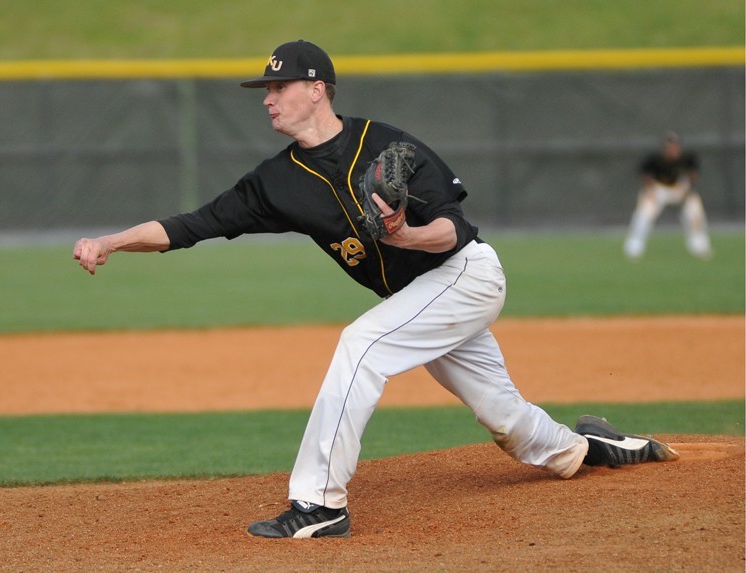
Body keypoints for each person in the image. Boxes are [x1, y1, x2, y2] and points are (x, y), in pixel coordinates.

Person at [73, 40, 679, 539]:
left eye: (278, 87)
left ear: (317, 89)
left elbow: (454, 230)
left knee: (360, 346)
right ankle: (590, 447)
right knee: (507, 420)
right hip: (420, 302)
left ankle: (320, 505)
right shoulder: (277, 182)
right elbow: (191, 226)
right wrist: (112, 240)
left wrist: (404, 234)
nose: (269, 99)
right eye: (265, 90)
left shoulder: (389, 148)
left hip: (464, 276)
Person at [623, 132, 713, 260]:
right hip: (658, 188)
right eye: (669, 147)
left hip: (679, 188)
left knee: (695, 209)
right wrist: (650, 192)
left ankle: (698, 243)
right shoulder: (654, 159)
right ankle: (635, 245)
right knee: (645, 211)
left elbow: (692, 175)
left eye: (675, 146)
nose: (672, 150)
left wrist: (687, 191)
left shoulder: (688, 158)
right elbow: (646, 176)